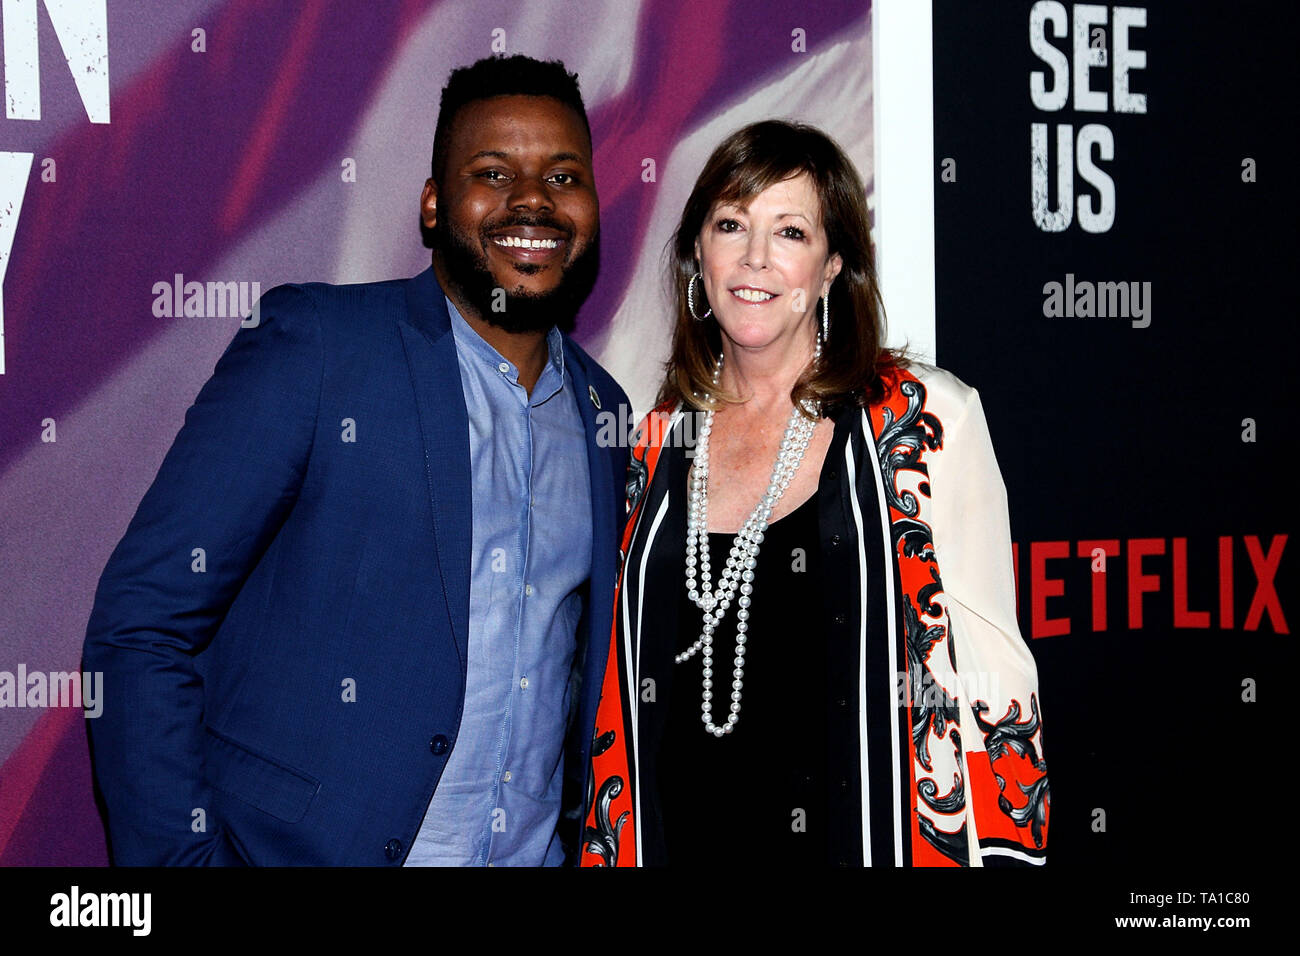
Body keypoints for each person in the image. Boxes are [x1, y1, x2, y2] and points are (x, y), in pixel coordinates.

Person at [83, 54, 630, 866]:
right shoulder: (320, 348)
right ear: (434, 203)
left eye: (562, 175)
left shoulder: (605, 416)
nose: (531, 200)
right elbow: (141, 627)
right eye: (492, 171)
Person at [581, 120, 1049, 867]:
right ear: (697, 255)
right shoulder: (651, 441)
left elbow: (998, 683)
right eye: (731, 224)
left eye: (791, 232)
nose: (756, 258)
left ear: (833, 266)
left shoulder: (927, 422)